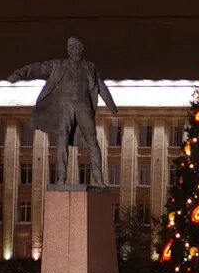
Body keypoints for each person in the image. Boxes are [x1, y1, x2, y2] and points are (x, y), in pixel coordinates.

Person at [7, 36, 118, 187]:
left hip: (83, 106)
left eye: (75, 47)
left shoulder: (89, 67)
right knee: (62, 140)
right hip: (65, 107)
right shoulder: (58, 65)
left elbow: (101, 86)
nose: (72, 50)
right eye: (69, 47)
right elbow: (38, 68)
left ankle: (99, 180)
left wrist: (111, 105)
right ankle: (61, 179)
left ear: (81, 49)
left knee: (92, 140)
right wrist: (20, 73)